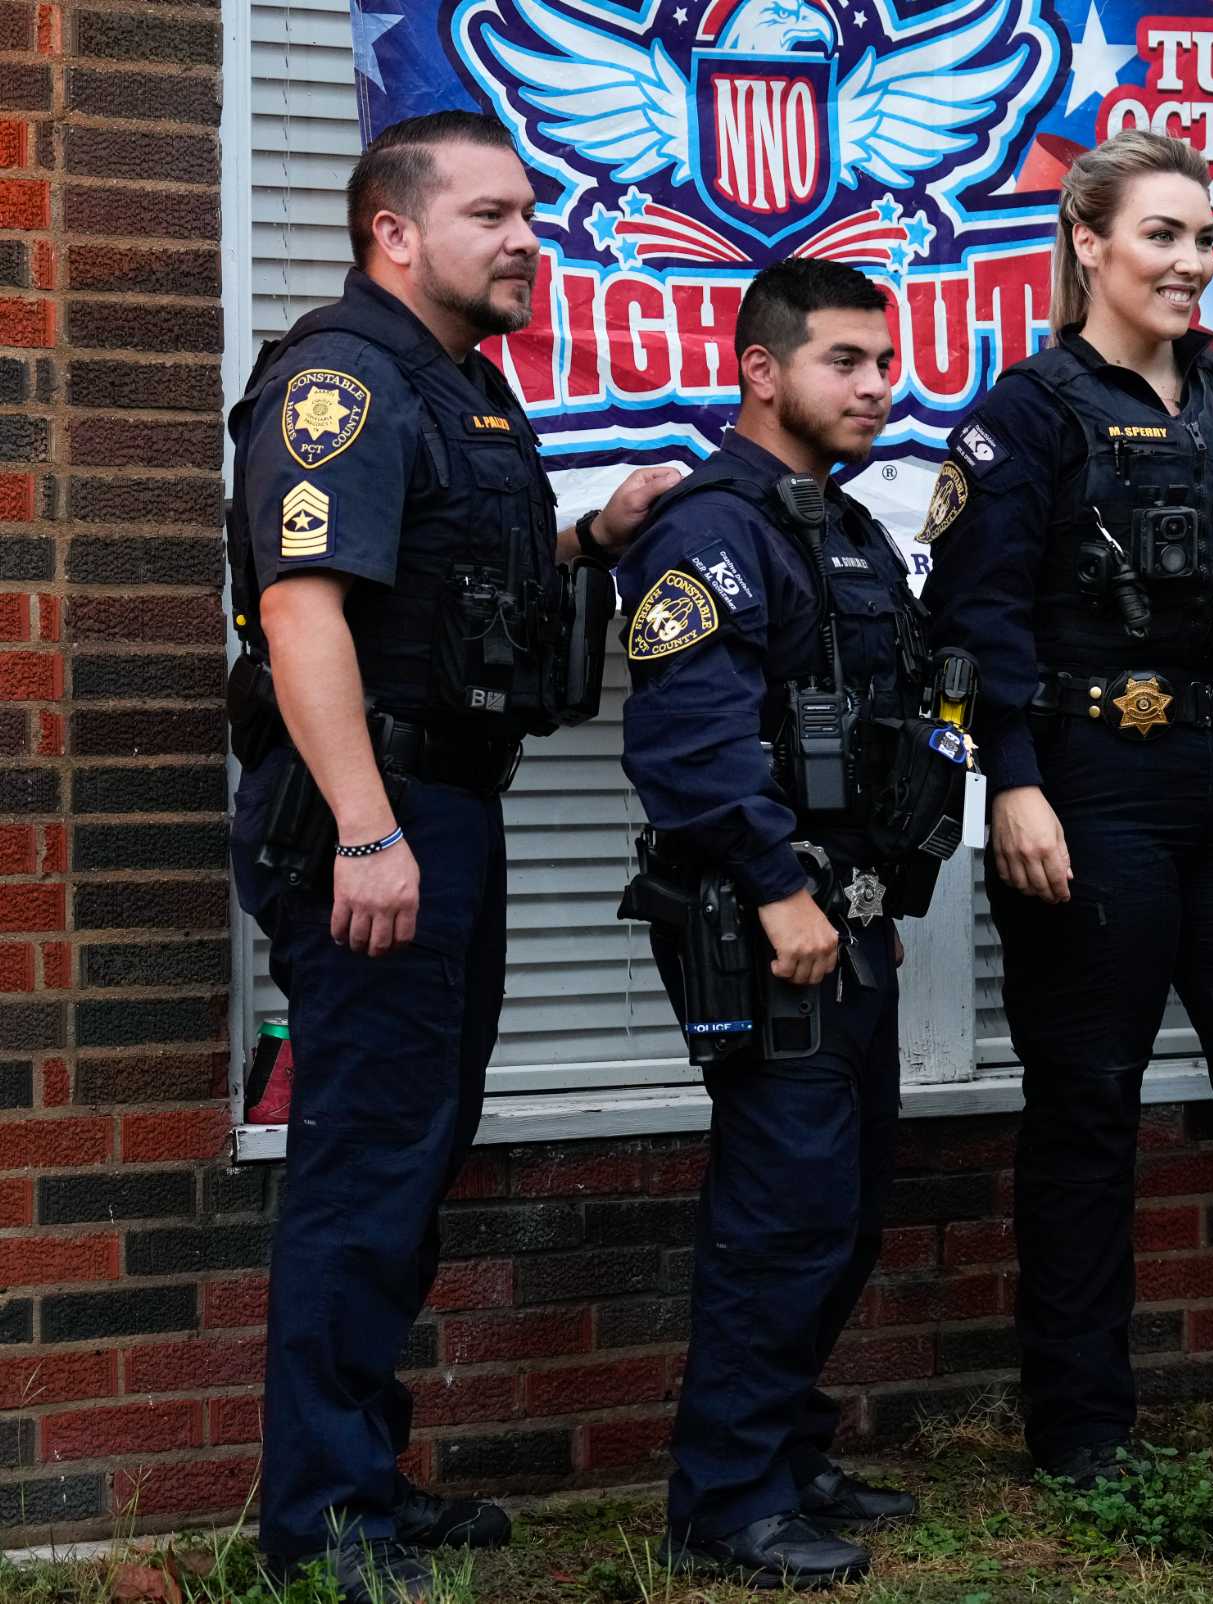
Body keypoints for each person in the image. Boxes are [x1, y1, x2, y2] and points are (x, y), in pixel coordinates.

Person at [224, 112, 678, 1601]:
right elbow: (304, 614)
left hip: (443, 816)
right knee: (363, 1174)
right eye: (491, 213)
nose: (526, 236)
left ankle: (361, 1476)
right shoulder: (340, 382)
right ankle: (321, 1528)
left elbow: (444, 578)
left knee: (408, 1166)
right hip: (380, 818)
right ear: (393, 234)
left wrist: (587, 541)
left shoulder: (460, 393)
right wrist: (365, 829)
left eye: (529, 212)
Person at [919, 129, 1213, 1485]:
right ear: (1089, 244)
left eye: (1203, 235)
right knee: (1086, 1114)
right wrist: (1011, 780)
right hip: (1091, 800)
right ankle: (1082, 1426)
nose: (1193, 261)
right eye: (1164, 235)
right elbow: (974, 619)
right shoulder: (1029, 412)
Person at [615, 258, 972, 1588]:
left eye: (884, 362)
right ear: (761, 370)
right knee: (786, 1207)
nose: (877, 384)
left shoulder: (840, 522)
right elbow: (690, 740)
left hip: (849, 913)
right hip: (768, 919)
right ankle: (726, 1497)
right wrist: (777, 891)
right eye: (845, 361)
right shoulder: (714, 530)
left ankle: (785, 1447)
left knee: (847, 1199)